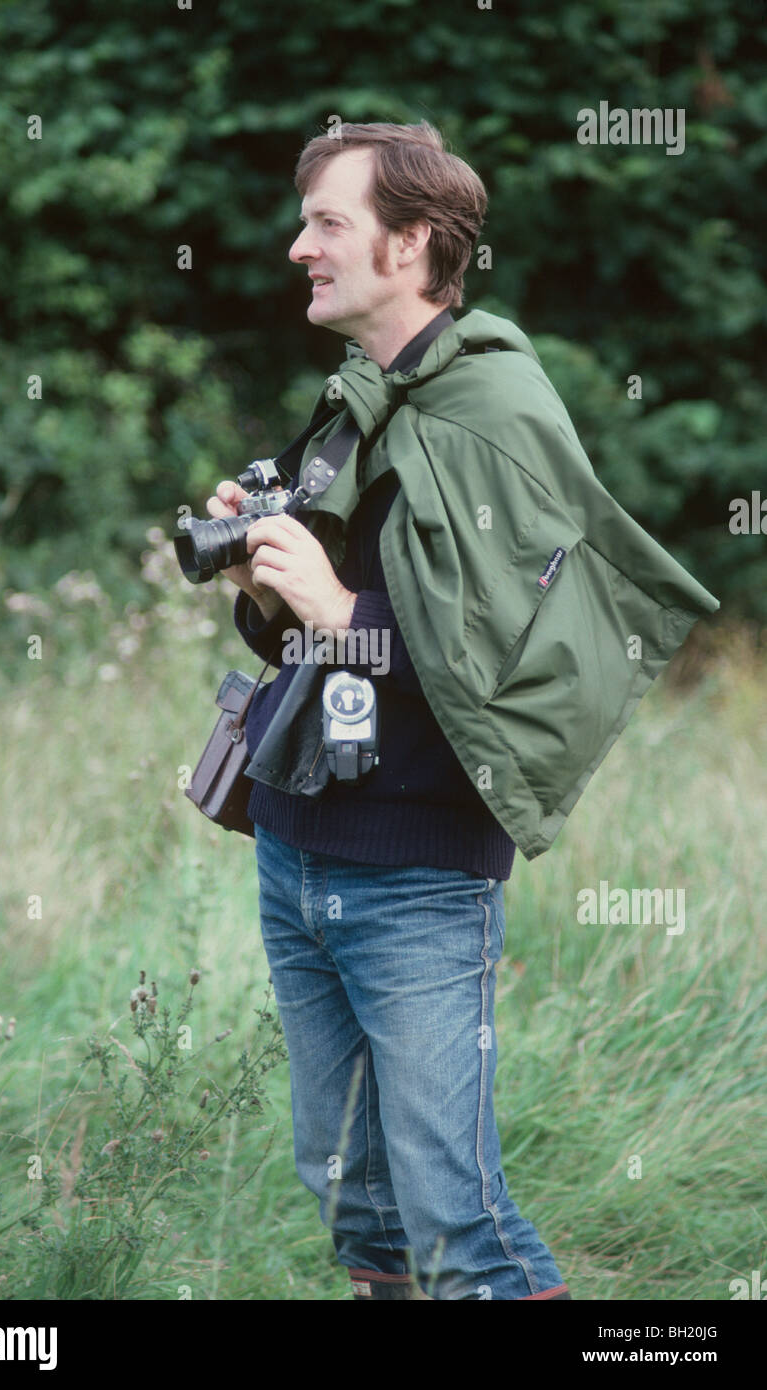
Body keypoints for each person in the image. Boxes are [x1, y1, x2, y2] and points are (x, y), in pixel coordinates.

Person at [205, 121, 572, 1300]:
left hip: (417, 870)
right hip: (297, 843)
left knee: (461, 1222)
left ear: (412, 244)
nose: (297, 245)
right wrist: (270, 576)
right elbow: (311, 638)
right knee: (352, 1198)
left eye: (328, 223)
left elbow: (516, 648)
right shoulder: (359, 396)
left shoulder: (499, 409)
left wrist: (336, 602)